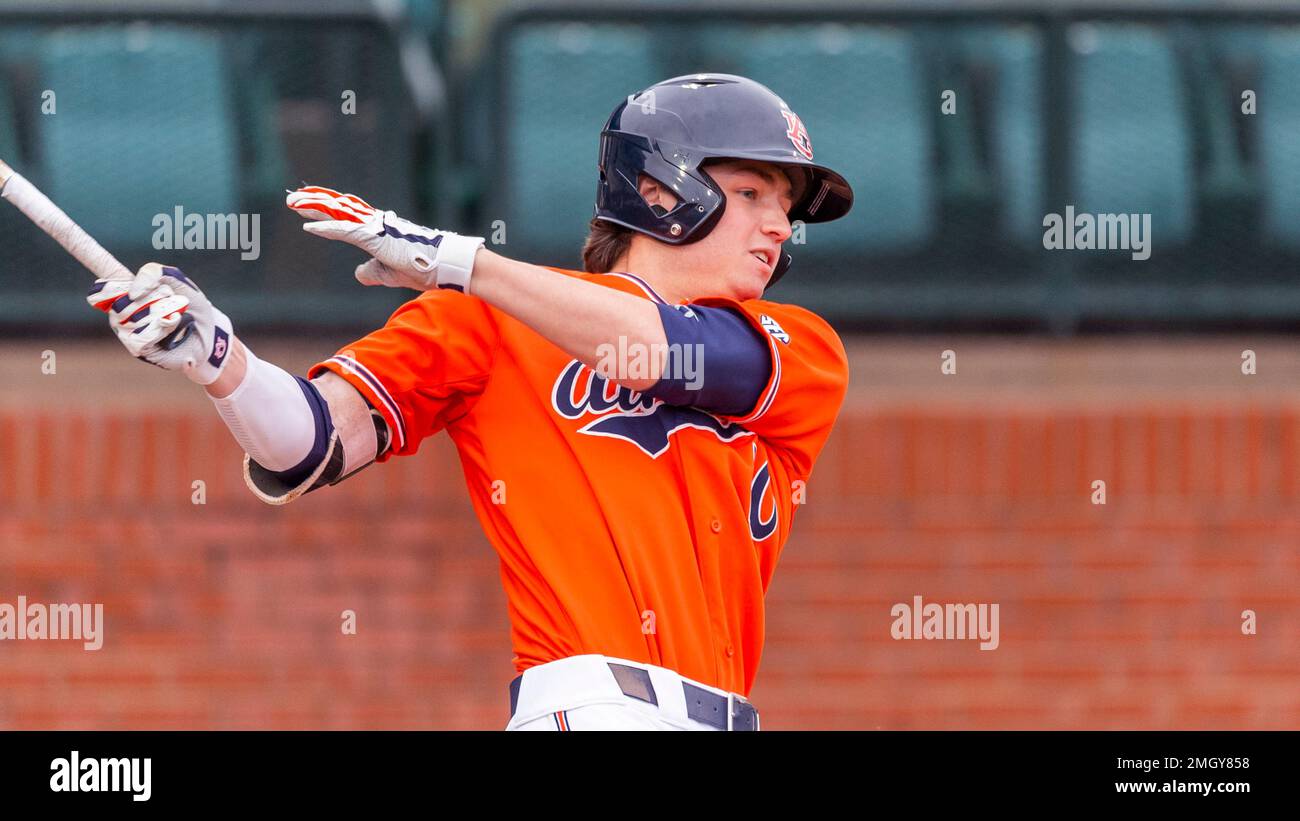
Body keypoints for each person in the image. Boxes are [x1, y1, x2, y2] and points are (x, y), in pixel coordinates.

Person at [89, 73, 854, 731]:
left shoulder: (802, 344)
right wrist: (221, 362)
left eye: (784, 205)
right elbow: (305, 442)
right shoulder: (482, 319)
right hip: (590, 706)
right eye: (752, 192)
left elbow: (664, 349)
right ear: (658, 188)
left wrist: (460, 262)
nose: (780, 226)